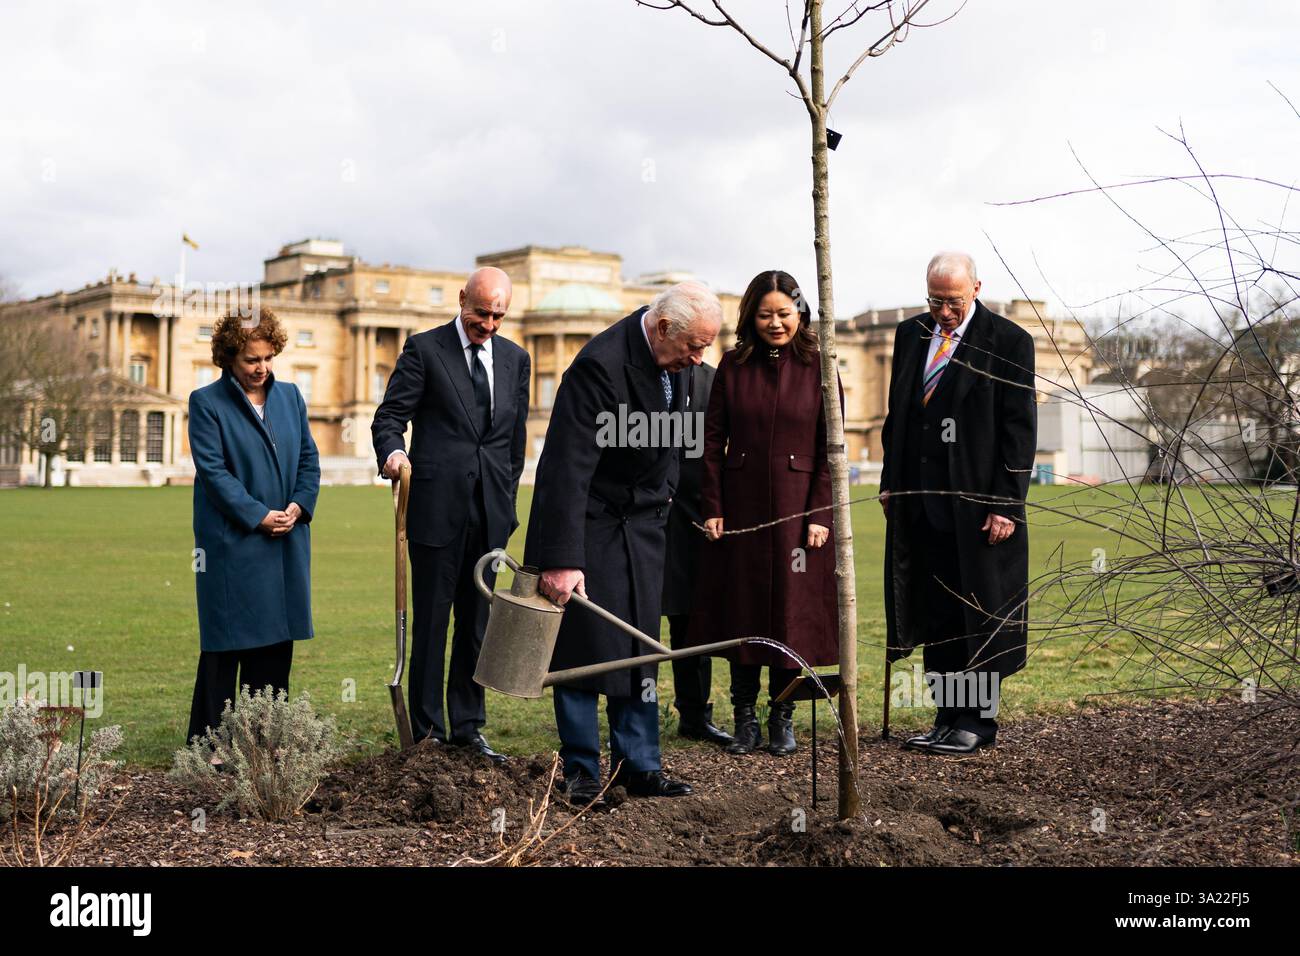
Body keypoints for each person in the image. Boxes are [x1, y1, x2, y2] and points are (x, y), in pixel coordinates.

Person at [524, 281, 722, 806]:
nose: (701, 358)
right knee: (586, 649)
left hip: (645, 528)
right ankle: (582, 770)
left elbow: (672, 451)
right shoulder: (599, 367)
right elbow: (565, 469)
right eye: (694, 346)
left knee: (639, 646)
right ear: (662, 328)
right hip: (593, 525)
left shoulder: (676, 363)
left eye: (706, 346)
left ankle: (639, 764)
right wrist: (563, 560)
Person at [879, 252, 1037, 755]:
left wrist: (1006, 505)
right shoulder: (910, 335)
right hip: (923, 505)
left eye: (953, 301)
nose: (944, 312)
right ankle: (946, 719)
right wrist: (890, 481)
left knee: (979, 614)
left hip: (979, 508)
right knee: (939, 614)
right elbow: (897, 417)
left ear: (976, 289)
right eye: (935, 300)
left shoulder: (1010, 342)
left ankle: (977, 723)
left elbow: (1019, 430)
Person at [371, 267, 530, 762]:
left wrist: (505, 495)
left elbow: (514, 441)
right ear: (462, 300)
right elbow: (389, 418)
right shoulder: (424, 350)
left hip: (491, 517)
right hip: (436, 513)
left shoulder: (515, 360)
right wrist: (393, 454)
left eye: (498, 315)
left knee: (478, 625)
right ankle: (427, 732)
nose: (488, 323)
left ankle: (467, 727)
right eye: (481, 312)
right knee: (433, 624)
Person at [687, 269, 839, 757]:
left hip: (798, 512)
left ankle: (783, 717)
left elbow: (829, 448)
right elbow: (712, 441)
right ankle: (745, 720)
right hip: (743, 508)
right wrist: (714, 506)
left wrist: (820, 515)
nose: (775, 323)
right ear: (750, 317)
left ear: (800, 314)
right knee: (744, 612)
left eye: (784, 314)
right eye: (765, 314)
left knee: (790, 615)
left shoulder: (820, 365)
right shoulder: (733, 364)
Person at [186, 307, 320, 748]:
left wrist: (299, 506)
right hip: (233, 542)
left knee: (275, 644)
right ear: (229, 357)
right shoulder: (207, 403)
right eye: (251, 360)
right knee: (226, 647)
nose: (261, 368)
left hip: (286, 539)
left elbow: (308, 460)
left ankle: (265, 743)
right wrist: (259, 515)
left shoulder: (292, 397)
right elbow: (213, 473)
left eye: (267, 358)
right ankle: (211, 746)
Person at [661, 359, 732, 747]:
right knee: (634, 620)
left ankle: (694, 713)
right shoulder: (637, 373)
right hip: (639, 512)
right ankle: (632, 707)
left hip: (694, 514)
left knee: (689, 618)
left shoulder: (711, 380)